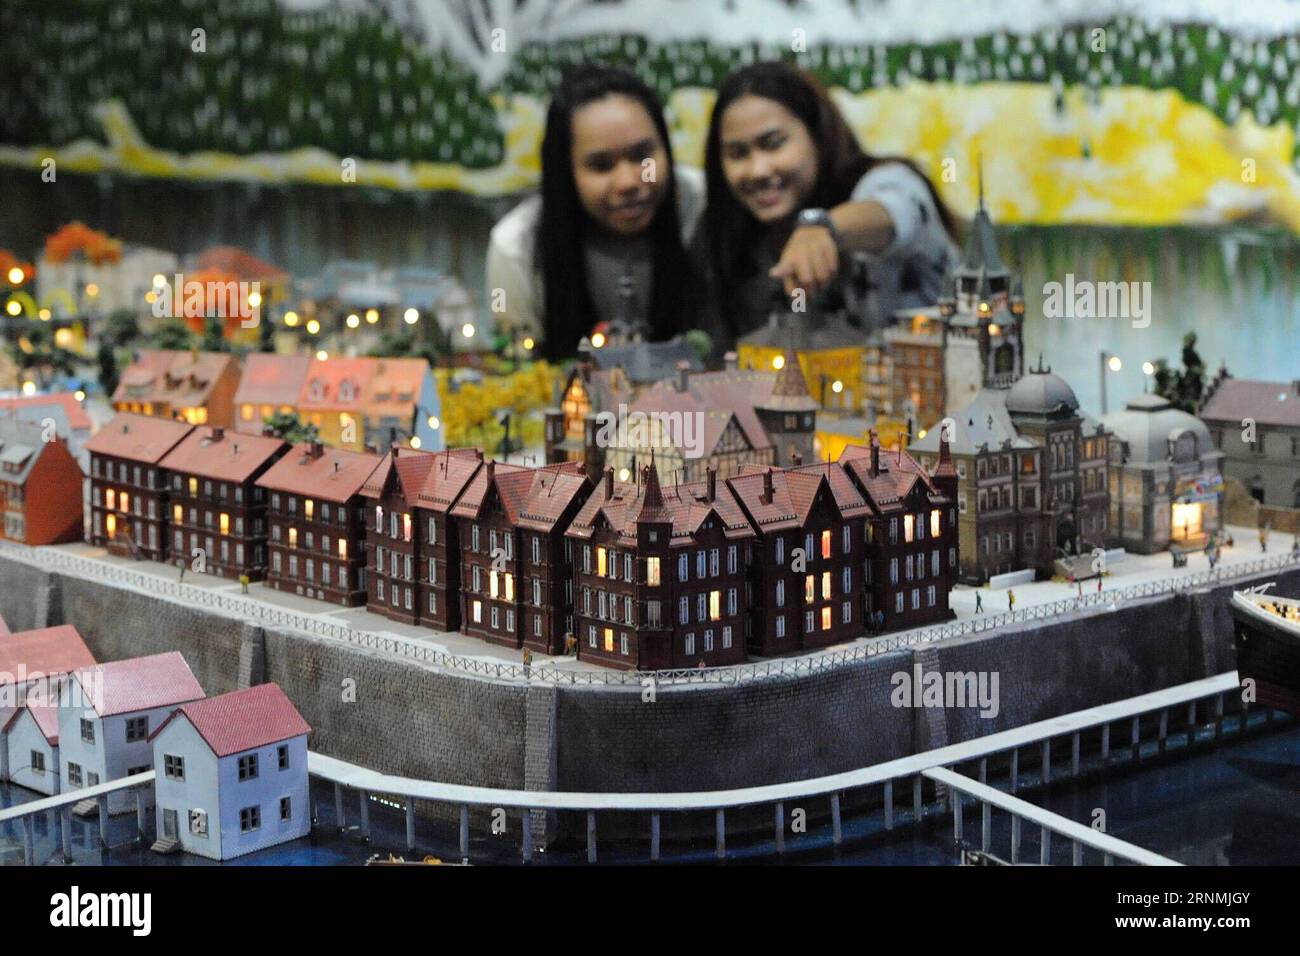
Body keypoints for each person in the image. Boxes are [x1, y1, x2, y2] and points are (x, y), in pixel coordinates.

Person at [699, 60, 960, 350]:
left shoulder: (884, 182)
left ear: (816, 134)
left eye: (774, 143)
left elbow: (895, 212)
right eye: (737, 153)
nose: (757, 169)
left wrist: (822, 227)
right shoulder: (737, 238)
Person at [486, 64, 706, 360]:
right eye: (601, 165)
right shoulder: (515, 248)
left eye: (643, 156)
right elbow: (518, 369)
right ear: (565, 172)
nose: (628, 182)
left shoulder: (703, 203)